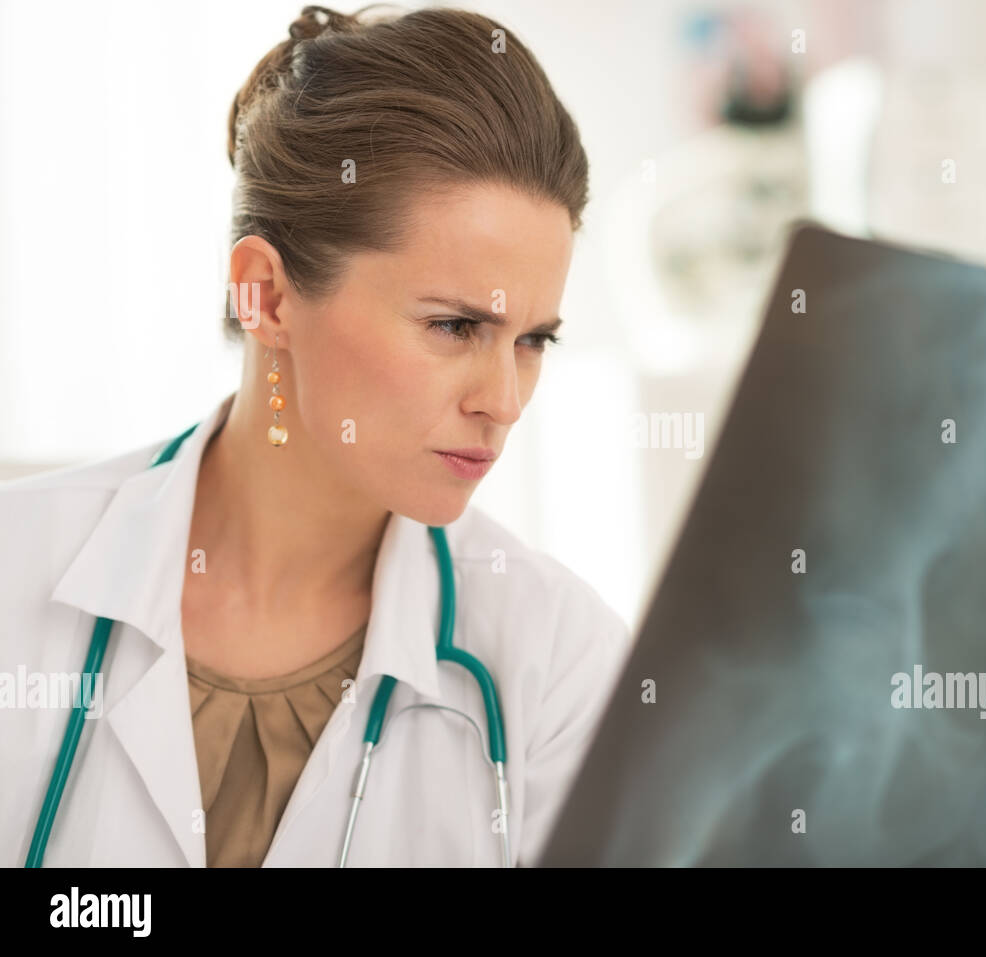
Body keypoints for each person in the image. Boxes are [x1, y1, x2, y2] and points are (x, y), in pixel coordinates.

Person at [0, 4, 629, 867]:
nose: (506, 400)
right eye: (453, 327)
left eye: (533, 339)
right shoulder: (13, 567)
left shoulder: (557, 659)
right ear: (267, 293)